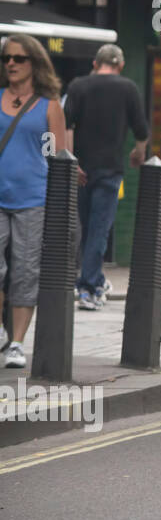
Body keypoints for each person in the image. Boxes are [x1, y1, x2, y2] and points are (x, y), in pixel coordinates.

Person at [62, 43, 150, 310]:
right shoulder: (128, 88)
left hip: (81, 170)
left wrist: (71, 159)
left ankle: (94, 279)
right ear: (120, 66)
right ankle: (87, 288)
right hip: (110, 169)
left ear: (95, 63)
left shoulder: (78, 85)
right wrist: (138, 153)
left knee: (87, 228)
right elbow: (141, 130)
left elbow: (66, 125)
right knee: (99, 229)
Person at [0, 35, 69, 368]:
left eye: (19, 58)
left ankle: (16, 343)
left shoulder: (49, 106)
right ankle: (2, 331)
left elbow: (56, 156)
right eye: (6, 58)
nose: (11, 63)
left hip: (32, 199)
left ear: (35, 64)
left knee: (24, 272)